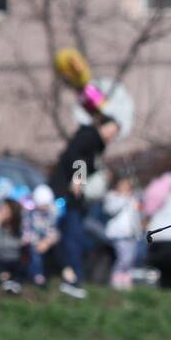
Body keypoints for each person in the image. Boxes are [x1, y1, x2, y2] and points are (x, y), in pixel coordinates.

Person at [48, 113, 120, 298]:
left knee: (74, 235)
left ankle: (72, 275)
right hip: (66, 195)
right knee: (71, 235)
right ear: (102, 126)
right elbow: (74, 156)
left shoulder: (97, 145)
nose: (113, 135)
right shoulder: (89, 137)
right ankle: (70, 277)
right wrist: (78, 178)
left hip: (75, 199)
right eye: (111, 129)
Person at [103, 173, 142, 291]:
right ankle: (116, 277)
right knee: (123, 257)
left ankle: (126, 279)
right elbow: (111, 210)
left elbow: (137, 216)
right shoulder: (112, 197)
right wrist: (124, 199)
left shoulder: (132, 199)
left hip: (131, 233)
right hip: (119, 234)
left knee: (130, 258)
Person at [0, 198, 25, 293]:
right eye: (0, 208)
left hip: (15, 260)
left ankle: (15, 281)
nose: (1, 211)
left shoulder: (19, 226)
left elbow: (18, 247)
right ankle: (4, 277)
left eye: (5, 209)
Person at [23, 184, 61, 286]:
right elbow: (27, 230)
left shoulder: (52, 213)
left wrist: (47, 242)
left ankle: (47, 275)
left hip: (45, 242)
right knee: (34, 253)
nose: (44, 208)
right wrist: (34, 242)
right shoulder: (30, 213)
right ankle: (35, 275)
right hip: (33, 242)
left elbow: (52, 230)